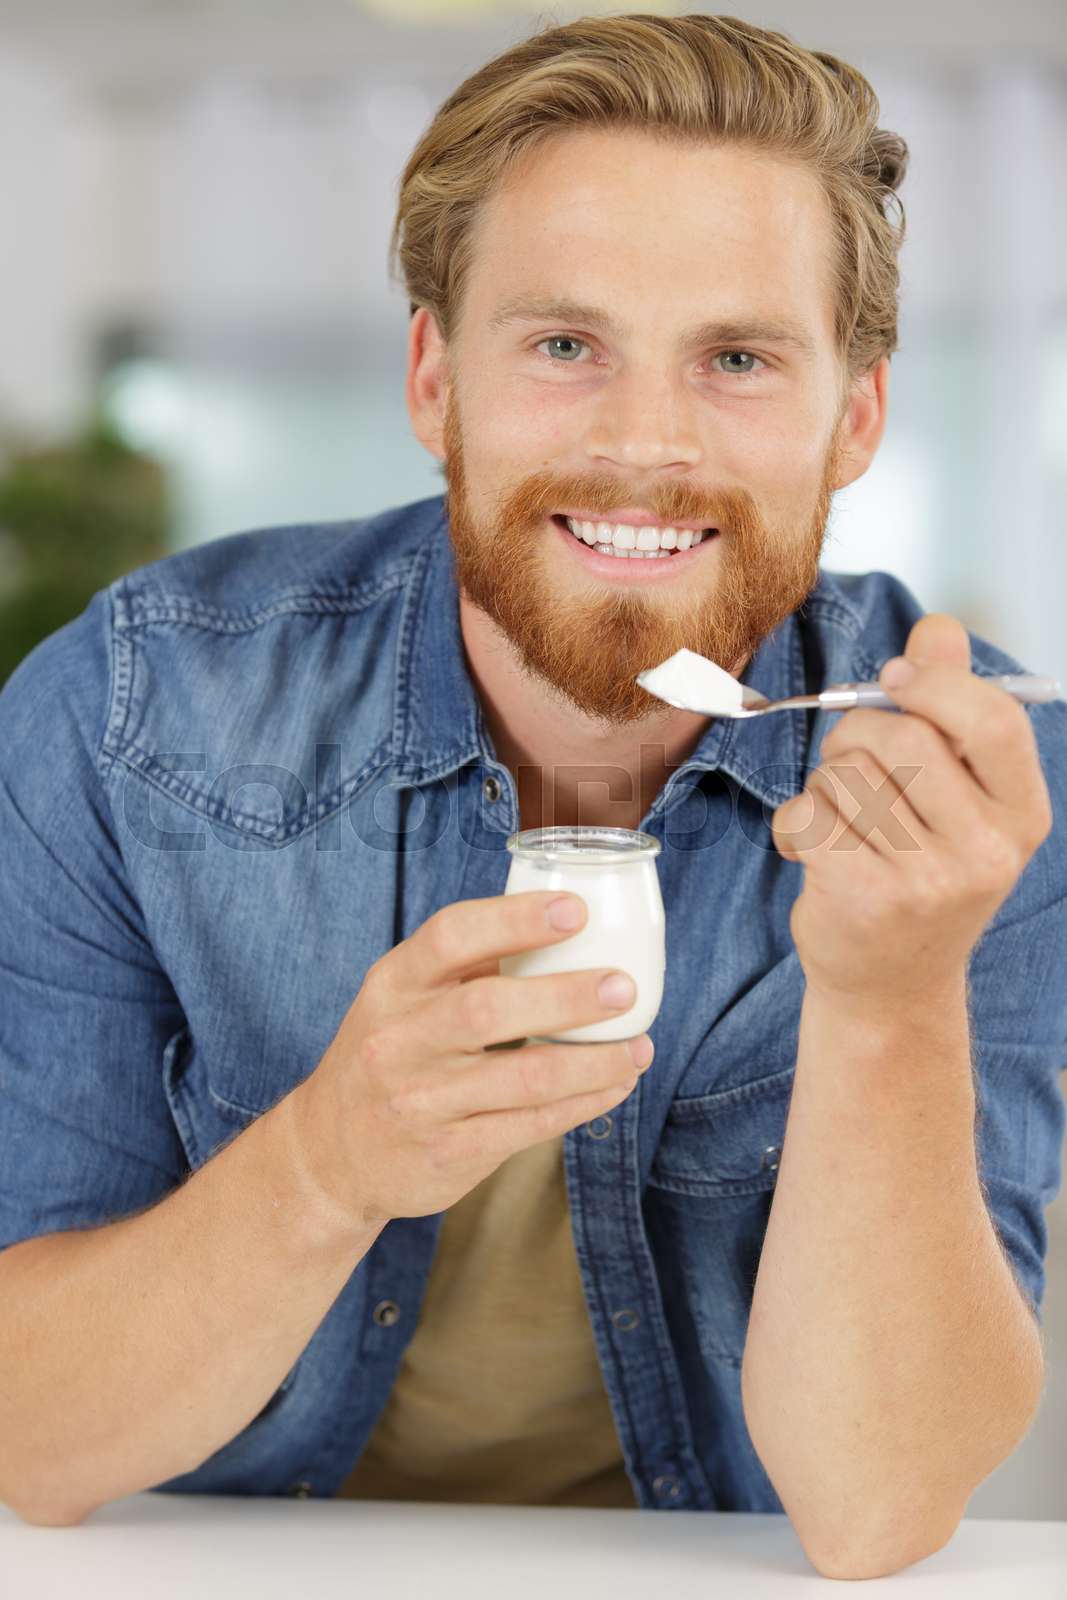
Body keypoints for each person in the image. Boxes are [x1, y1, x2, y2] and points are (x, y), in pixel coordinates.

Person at [0, 12, 1064, 1582]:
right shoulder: (127, 713)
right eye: (565, 346)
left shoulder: (977, 797)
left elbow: (878, 1512)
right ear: (435, 380)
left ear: (856, 417)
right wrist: (326, 1163)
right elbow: (33, 1439)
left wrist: (894, 996)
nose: (644, 444)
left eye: (739, 359)